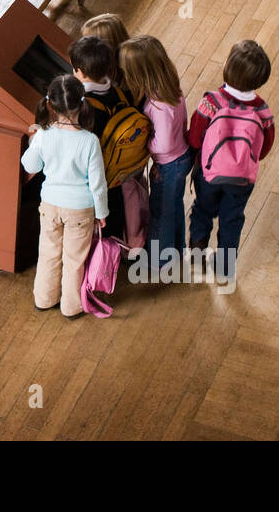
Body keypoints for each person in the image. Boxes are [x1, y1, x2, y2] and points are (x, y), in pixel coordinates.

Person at [21, 75, 108, 318]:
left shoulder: (43, 135)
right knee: (74, 259)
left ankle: (44, 298)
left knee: (48, 252)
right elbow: (98, 184)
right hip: (80, 209)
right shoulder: (90, 141)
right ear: (82, 104)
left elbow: (30, 166)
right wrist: (102, 214)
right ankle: (71, 306)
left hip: (50, 204)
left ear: (50, 105)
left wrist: (34, 140)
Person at [186, 40, 274, 279]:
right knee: (232, 218)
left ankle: (197, 251)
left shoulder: (212, 102)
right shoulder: (263, 110)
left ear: (226, 67)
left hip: (209, 174)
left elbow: (194, 138)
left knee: (202, 209)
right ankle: (225, 267)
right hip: (242, 178)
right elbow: (264, 148)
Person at [118, 36, 191, 259]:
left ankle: (159, 260)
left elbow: (164, 143)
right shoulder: (170, 88)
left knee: (161, 212)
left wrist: (144, 142)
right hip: (179, 159)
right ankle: (176, 248)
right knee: (173, 207)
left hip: (169, 165)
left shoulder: (158, 105)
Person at [69, 36, 128, 236]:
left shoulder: (85, 106)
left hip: (95, 174)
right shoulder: (119, 93)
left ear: (80, 72)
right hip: (118, 169)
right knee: (114, 215)